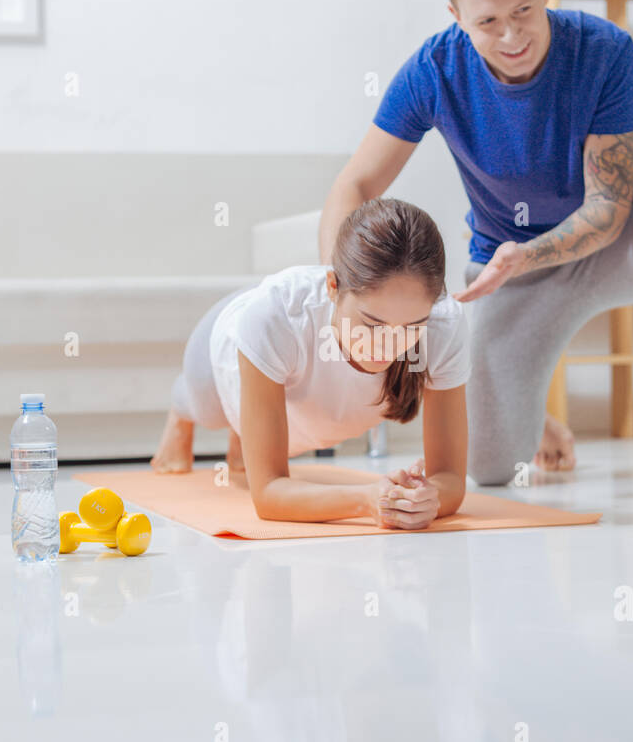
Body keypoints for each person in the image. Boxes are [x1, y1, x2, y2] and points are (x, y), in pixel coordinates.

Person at [317, 0, 633, 501]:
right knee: (490, 469)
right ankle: (531, 413)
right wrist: (339, 286)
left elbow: (607, 211)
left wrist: (529, 253)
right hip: (504, 277)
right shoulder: (434, 70)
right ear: (455, 13)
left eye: (523, 10)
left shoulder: (605, 51)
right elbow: (357, 180)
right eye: (487, 21)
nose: (511, 35)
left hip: (609, 246)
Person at [152, 197, 470, 529]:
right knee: (206, 410)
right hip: (225, 340)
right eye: (373, 324)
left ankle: (243, 439)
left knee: (261, 436)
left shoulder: (443, 325)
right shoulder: (273, 315)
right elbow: (269, 494)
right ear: (333, 286)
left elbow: (449, 478)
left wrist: (424, 500)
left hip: (285, 351)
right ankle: (181, 415)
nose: (388, 346)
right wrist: (367, 500)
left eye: (410, 327)